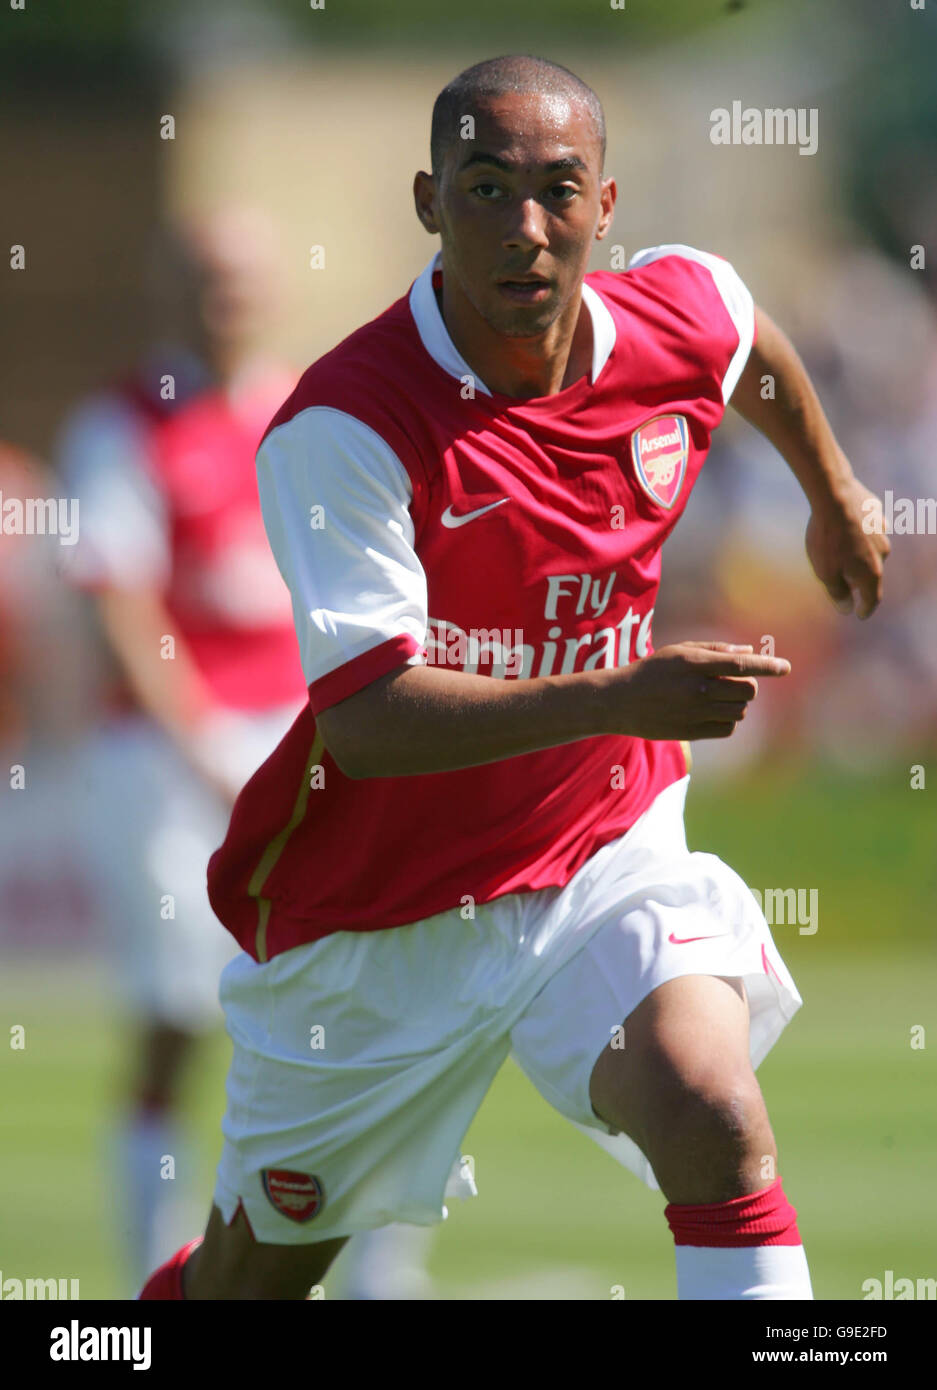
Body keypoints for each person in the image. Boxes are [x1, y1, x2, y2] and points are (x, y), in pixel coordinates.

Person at [139, 56, 889, 1302]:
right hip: (383, 916)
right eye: (486, 189)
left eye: (557, 191)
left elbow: (743, 336)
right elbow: (367, 721)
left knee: (707, 1106)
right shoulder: (347, 424)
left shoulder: (676, 314)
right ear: (429, 202)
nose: (524, 227)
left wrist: (833, 491)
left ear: (605, 206)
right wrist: (619, 697)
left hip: (600, 848)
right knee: (249, 1279)